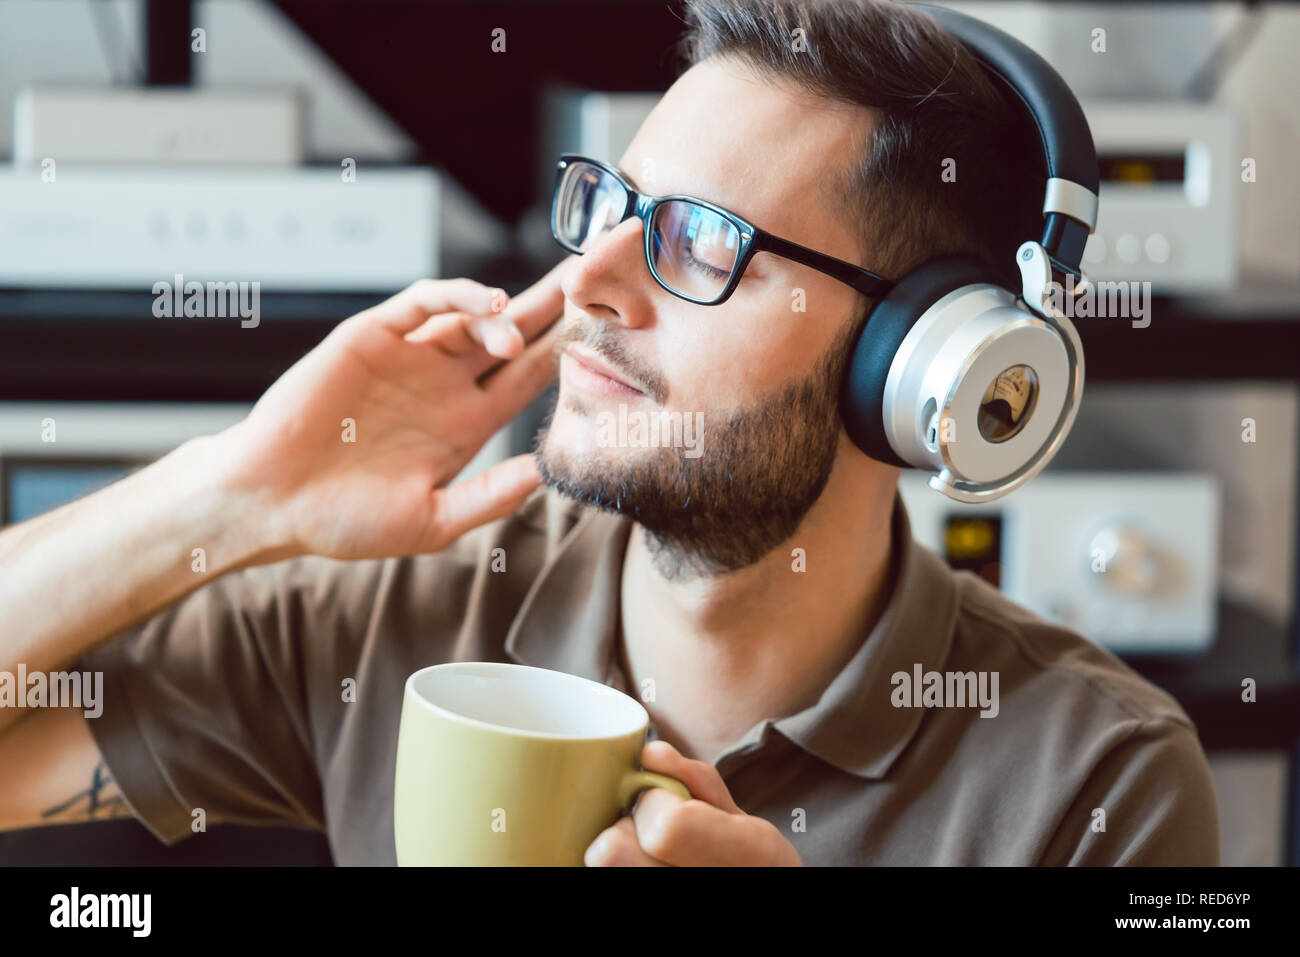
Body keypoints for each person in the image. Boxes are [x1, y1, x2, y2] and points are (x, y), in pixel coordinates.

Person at [0, 0, 1218, 866]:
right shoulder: (396, 618)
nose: (589, 278)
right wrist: (230, 495)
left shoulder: (1096, 781)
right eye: (612, 207)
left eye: (700, 240)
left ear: (912, 363)